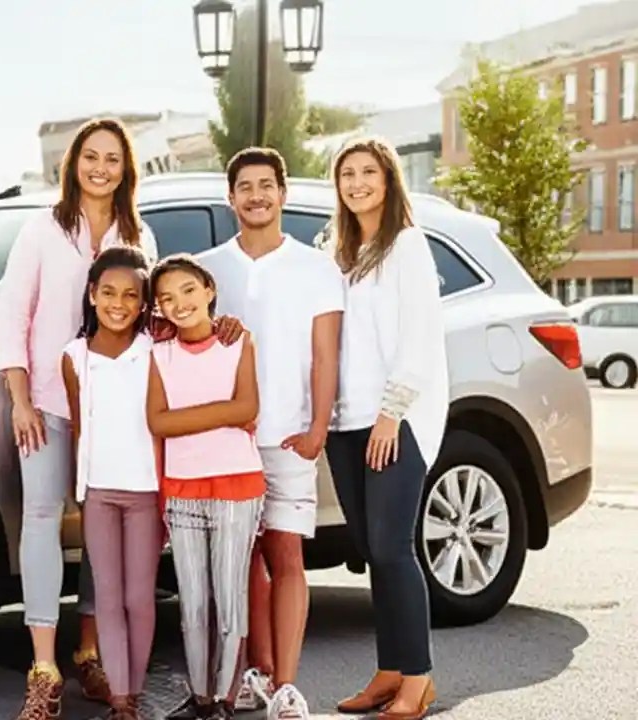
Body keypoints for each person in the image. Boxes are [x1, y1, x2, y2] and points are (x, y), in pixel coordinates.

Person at [0, 117, 158, 720]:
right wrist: (19, 397)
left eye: (113, 158)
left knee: (99, 529)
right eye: (92, 156)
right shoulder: (42, 229)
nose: (101, 168)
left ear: (126, 168)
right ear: (74, 162)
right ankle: (44, 668)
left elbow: (154, 316)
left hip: (116, 411)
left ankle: (91, 652)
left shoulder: (139, 234)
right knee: (39, 519)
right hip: (46, 403)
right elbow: (12, 313)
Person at [198, 147, 344, 720]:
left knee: (285, 554)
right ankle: (255, 673)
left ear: (283, 194)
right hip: (226, 438)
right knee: (239, 563)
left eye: (266, 185)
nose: (256, 196)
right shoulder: (209, 268)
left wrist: (317, 430)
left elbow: (325, 356)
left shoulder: (316, 268)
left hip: (288, 436)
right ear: (230, 197)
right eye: (245, 187)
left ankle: (286, 685)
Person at [322, 137, 446, 720]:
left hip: (396, 420)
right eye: (347, 173)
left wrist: (391, 412)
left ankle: (418, 679)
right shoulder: (338, 252)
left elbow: (419, 336)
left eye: (368, 171)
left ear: (389, 179)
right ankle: (389, 670)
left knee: (394, 547)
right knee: (372, 549)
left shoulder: (407, 246)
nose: (357, 182)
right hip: (346, 421)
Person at [146, 254, 264, 720]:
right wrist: (223, 413)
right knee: (192, 601)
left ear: (210, 290)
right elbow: (157, 420)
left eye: (189, 291)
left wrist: (188, 421)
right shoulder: (159, 354)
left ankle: (225, 699)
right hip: (182, 490)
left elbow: (247, 408)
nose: (180, 304)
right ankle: (199, 696)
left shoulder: (239, 344)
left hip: (239, 486)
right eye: (167, 299)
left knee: (230, 596)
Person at [62, 246, 163, 720]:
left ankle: (135, 690)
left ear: (144, 303)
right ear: (92, 294)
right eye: (108, 292)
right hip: (98, 493)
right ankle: (120, 701)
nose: (118, 303)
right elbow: (80, 427)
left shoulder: (156, 350)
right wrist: (79, 493)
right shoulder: (75, 357)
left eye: (130, 295)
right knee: (106, 595)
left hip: (145, 492)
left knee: (139, 597)